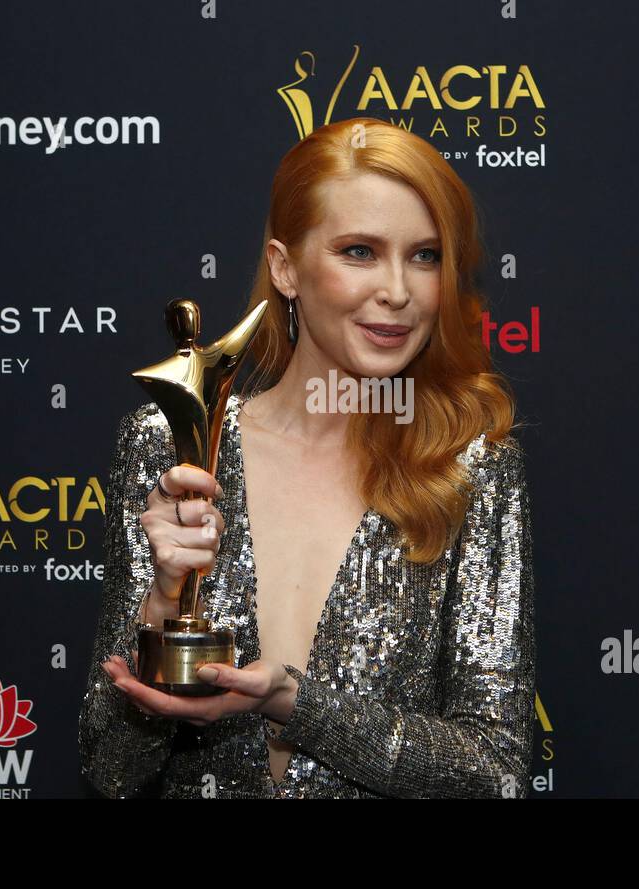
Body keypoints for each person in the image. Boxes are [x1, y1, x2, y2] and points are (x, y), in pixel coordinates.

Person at [78, 117, 536, 799]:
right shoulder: (170, 442)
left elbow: (496, 770)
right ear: (286, 268)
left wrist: (298, 702)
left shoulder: (470, 467)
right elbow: (110, 768)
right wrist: (159, 601)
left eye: (425, 255)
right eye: (359, 251)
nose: (398, 290)